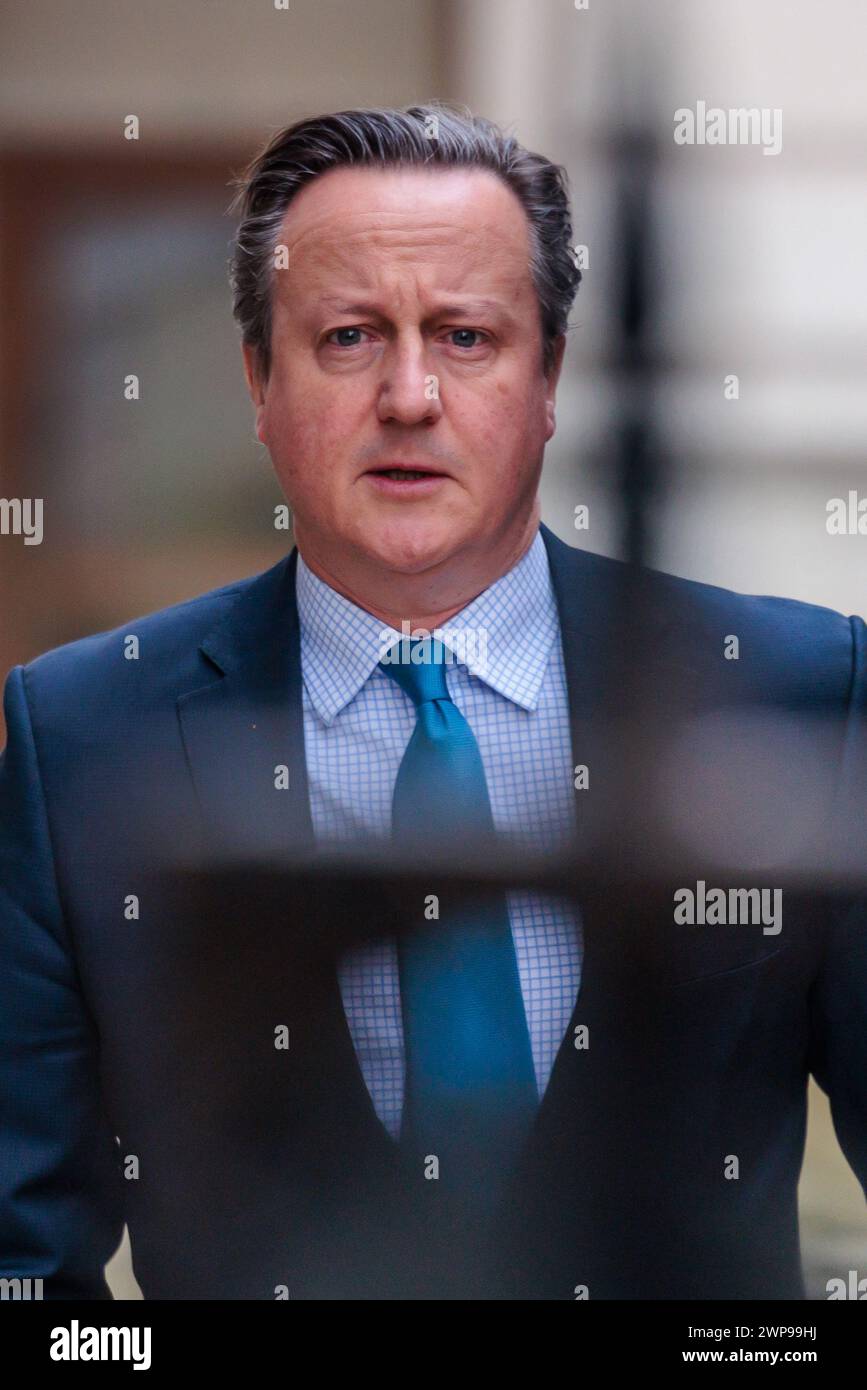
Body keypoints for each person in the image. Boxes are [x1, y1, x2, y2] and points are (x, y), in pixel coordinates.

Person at [1, 104, 864, 1300]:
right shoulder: (82, 735)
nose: (410, 395)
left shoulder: (795, 690)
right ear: (258, 379)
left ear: (550, 373)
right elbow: (22, 1261)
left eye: (464, 336)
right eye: (350, 337)